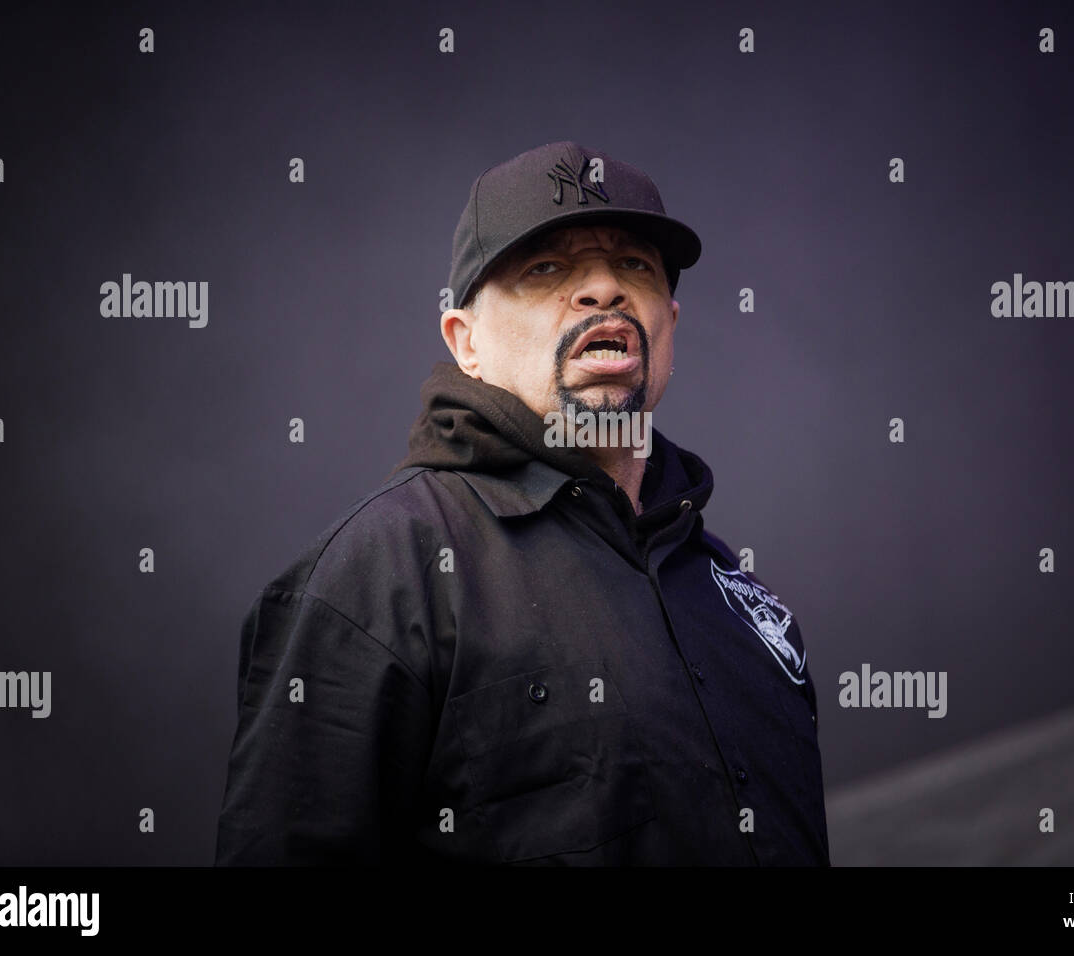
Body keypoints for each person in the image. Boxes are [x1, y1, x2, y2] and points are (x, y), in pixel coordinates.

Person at [214, 141, 831, 865]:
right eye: (546, 268)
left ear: (669, 325)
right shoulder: (379, 576)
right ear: (464, 341)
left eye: (634, 264)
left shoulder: (738, 597)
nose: (603, 290)